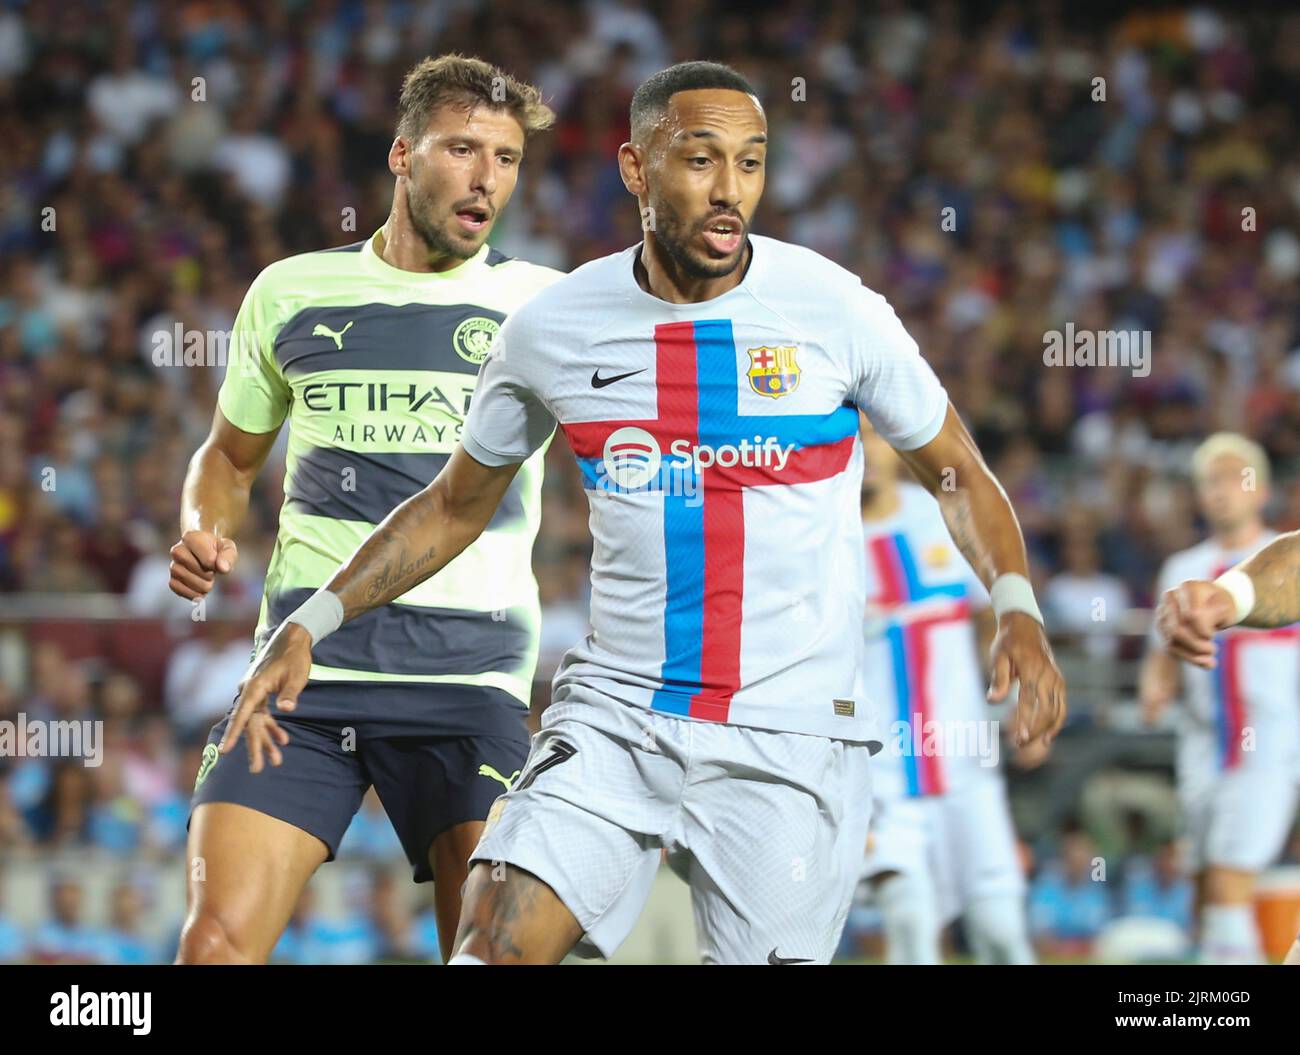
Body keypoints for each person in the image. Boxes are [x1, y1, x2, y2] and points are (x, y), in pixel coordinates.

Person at [226, 61, 1066, 965]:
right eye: (700, 161)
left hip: (789, 736)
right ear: (635, 167)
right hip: (615, 718)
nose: (728, 191)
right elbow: (452, 505)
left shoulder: (835, 310)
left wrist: (1015, 604)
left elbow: (958, 472)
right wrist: (313, 618)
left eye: (750, 163)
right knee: (488, 948)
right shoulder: (557, 325)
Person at [169, 54, 561, 964]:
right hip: (302, 674)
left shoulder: (541, 308)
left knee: (489, 954)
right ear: (401, 154)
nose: (485, 178)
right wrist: (203, 524)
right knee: (214, 944)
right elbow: (228, 457)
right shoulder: (291, 290)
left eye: (505, 158)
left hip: (469, 682)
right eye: (462, 149)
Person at [857, 422, 1034, 964]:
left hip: (964, 761)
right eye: (853, 438)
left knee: (1001, 931)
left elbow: (992, 620)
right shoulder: (822, 538)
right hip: (882, 769)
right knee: (909, 926)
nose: (866, 451)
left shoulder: (940, 515)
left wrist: (1014, 700)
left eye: (876, 437)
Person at [1141, 433, 1300, 962]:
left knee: (1231, 883)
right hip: (1201, 746)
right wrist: (1154, 689)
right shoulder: (1182, 568)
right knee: (1209, 889)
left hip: (1268, 748)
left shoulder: (1280, 560)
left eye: (1235, 477)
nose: (1223, 491)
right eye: (1211, 481)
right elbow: (1159, 657)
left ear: (1261, 488)